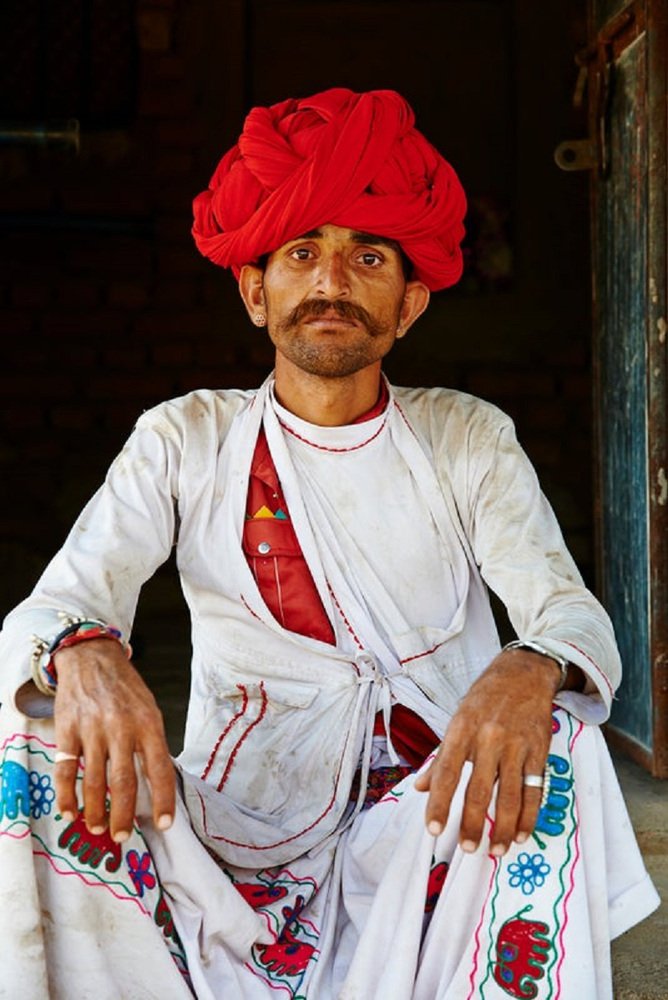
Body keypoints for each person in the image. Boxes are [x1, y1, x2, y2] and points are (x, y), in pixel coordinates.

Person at [0, 87, 658, 1000]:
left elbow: (570, 616)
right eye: (302, 253)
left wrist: (528, 666)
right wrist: (85, 651)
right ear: (254, 291)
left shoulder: (466, 436)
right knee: (33, 734)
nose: (332, 283)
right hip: (233, 822)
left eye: (368, 257)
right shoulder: (185, 437)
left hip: (428, 818)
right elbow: (50, 607)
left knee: (557, 741)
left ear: (411, 303)